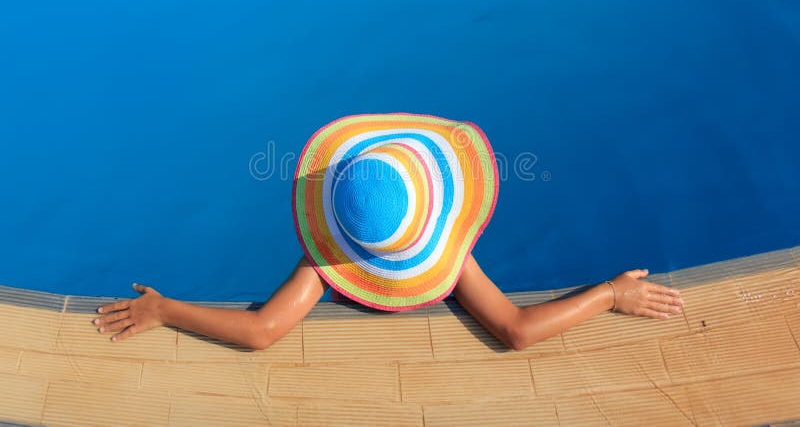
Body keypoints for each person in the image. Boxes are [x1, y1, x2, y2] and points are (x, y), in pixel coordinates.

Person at [93, 113, 684, 351]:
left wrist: (168, 310)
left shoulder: (323, 265)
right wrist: (611, 294)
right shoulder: (454, 266)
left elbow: (262, 331)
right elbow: (516, 330)